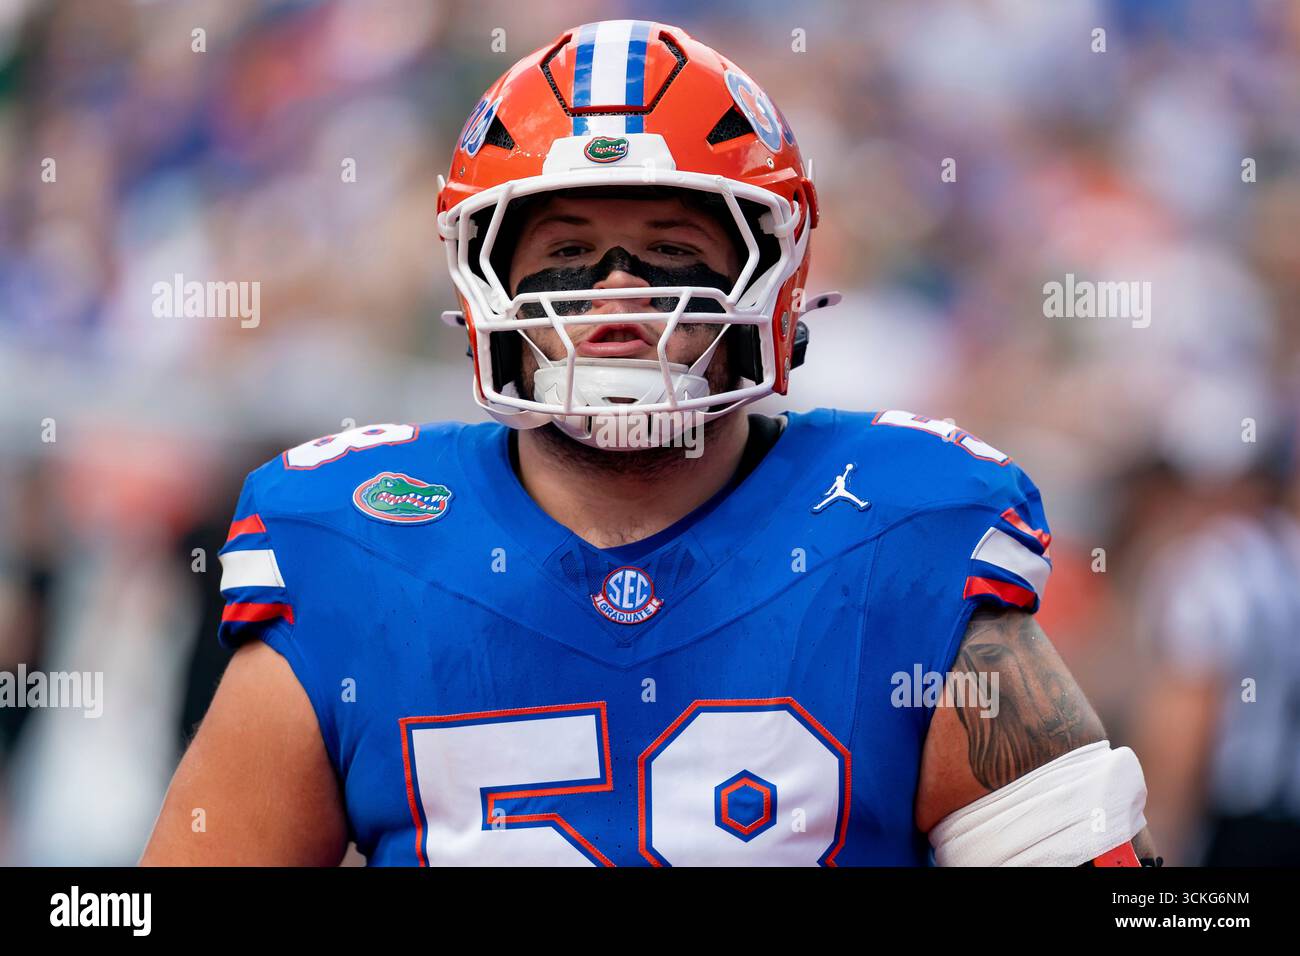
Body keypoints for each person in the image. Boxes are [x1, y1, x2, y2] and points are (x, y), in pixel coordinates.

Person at [142, 19, 1156, 866]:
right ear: (483, 285)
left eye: (671, 252)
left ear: (773, 274)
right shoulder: (357, 546)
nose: (619, 292)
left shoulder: (902, 536)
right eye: (569, 252)